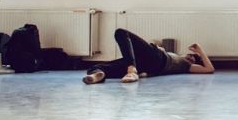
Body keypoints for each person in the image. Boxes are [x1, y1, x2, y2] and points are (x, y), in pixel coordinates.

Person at [83, 29, 214, 84]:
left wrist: (200, 51)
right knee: (96, 67)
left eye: (193, 59)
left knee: (121, 32)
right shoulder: (175, 56)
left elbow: (209, 69)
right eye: (190, 55)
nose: (191, 57)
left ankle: (132, 70)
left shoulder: (187, 66)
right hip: (143, 65)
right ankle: (97, 76)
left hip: (156, 60)